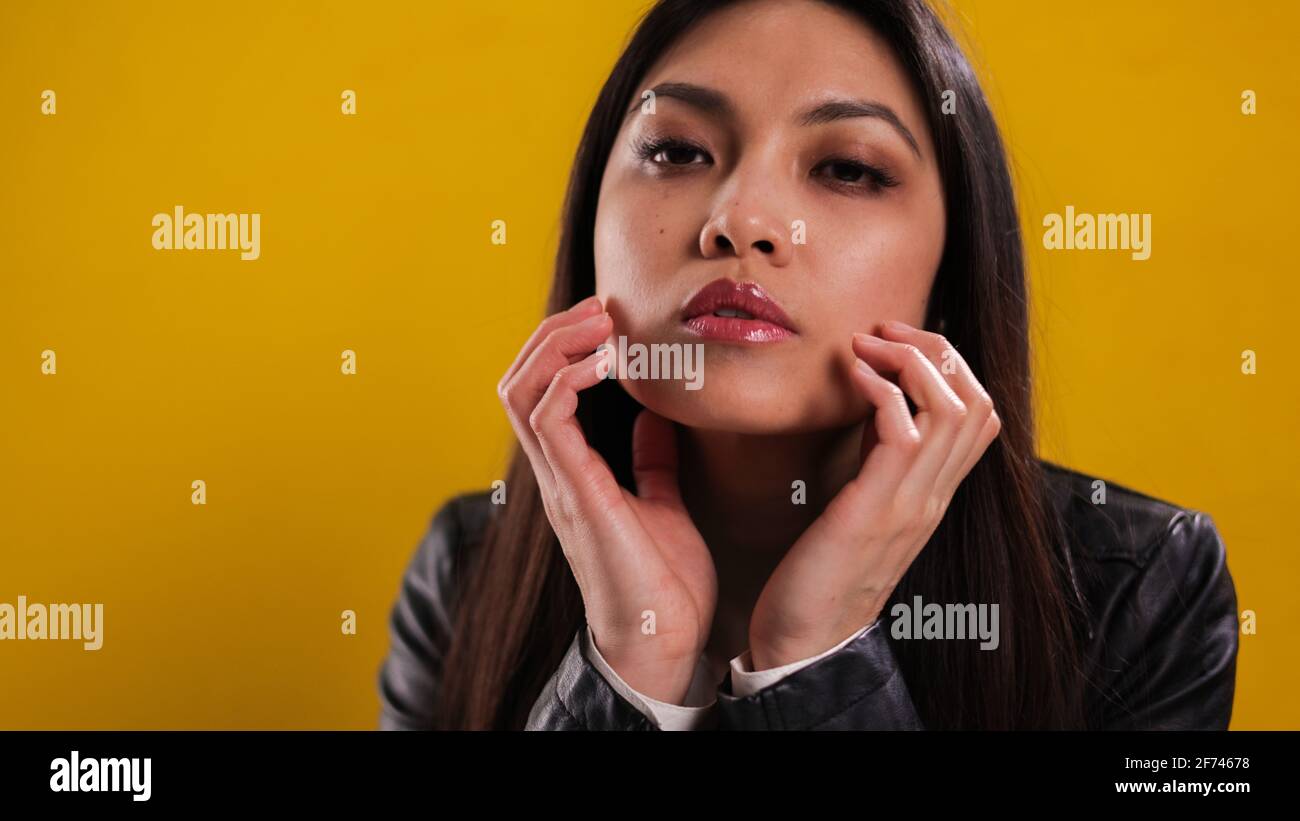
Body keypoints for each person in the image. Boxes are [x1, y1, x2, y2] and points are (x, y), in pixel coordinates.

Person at [378, 0, 1238, 730]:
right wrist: (631, 673)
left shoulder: (1141, 591)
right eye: (676, 152)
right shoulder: (466, 574)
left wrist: (814, 662)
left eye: (846, 168)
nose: (742, 218)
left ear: (952, 273)